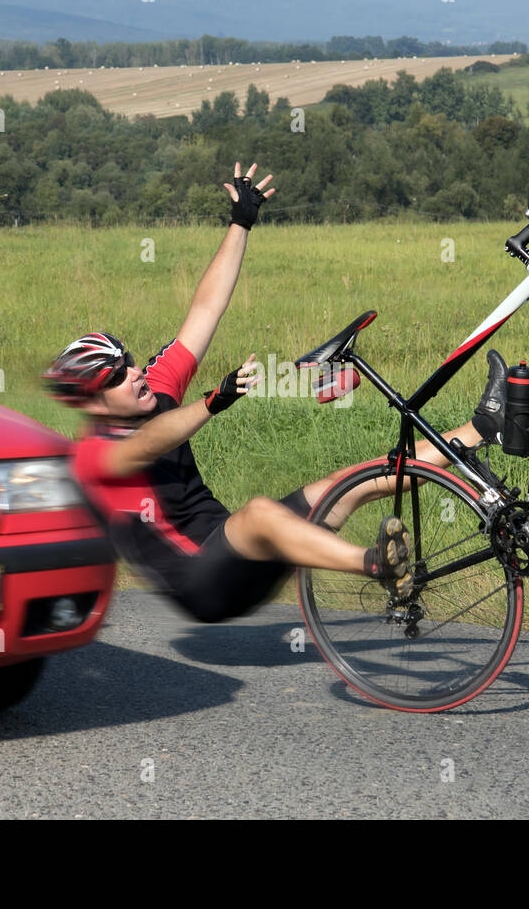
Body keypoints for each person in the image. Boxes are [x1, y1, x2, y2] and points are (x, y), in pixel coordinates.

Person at [45, 162, 485, 623]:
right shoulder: (93, 455)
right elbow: (148, 443)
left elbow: (206, 307)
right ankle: (376, 564)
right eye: (116, 377)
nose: (135, 373)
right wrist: (213, 402)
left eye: (129, 360)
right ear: (93, 403)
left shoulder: (154, 388)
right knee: (258, 512)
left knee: (350, 483)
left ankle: (484, 428)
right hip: (201, 584)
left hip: (241, 551)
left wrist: (240, 224)